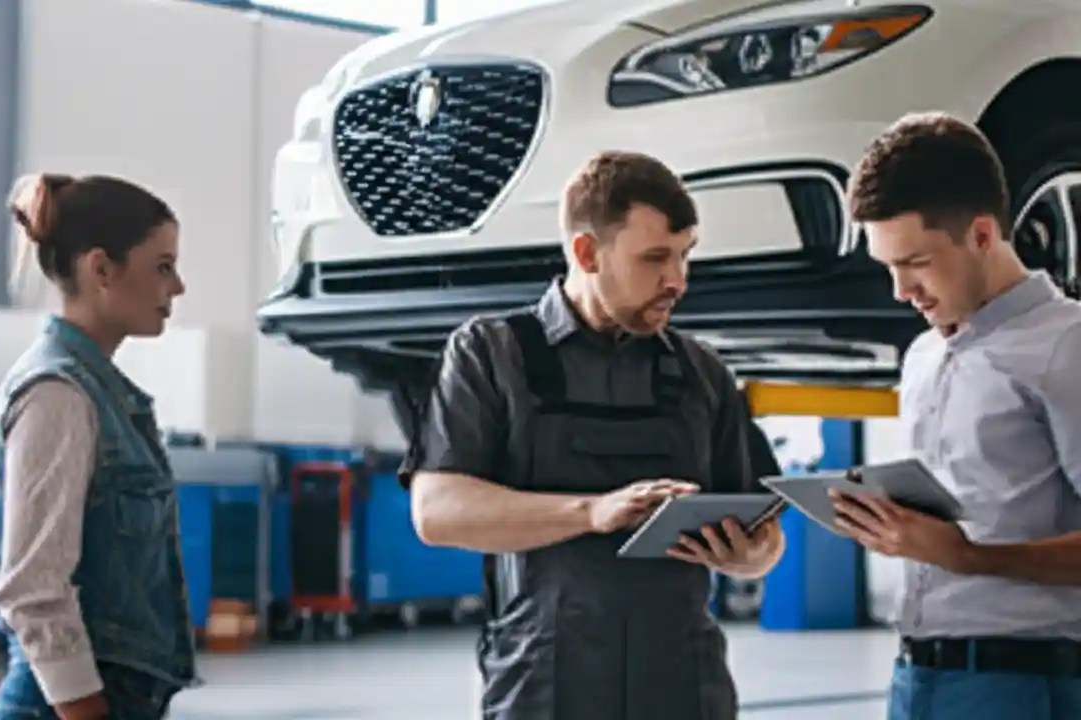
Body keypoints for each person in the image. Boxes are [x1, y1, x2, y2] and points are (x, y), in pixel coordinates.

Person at [400, 150, 787, 719]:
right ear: (586, 252)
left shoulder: (702, 372)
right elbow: (437, 512)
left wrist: (748, 555)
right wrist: (593, 512)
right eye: (655, 258)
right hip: (544, 688)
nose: (677, 281)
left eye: (685, 255)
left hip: (684, 686)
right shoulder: (492, 354)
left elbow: (766, 536)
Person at [836, 112, 1081, 719]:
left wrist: (969, 557)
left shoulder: (1066, 346)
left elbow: (961, 549)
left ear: (981, 235)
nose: (900, 290)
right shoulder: (923, 356)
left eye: (915, 261)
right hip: (916, 677)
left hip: (1022, 684)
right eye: (888, 267)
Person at [0, 173, 196, 720]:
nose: (177, 287)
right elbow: (33, 589)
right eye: (163, 267)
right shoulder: (57, 394)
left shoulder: (96, 392)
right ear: (102, 269)